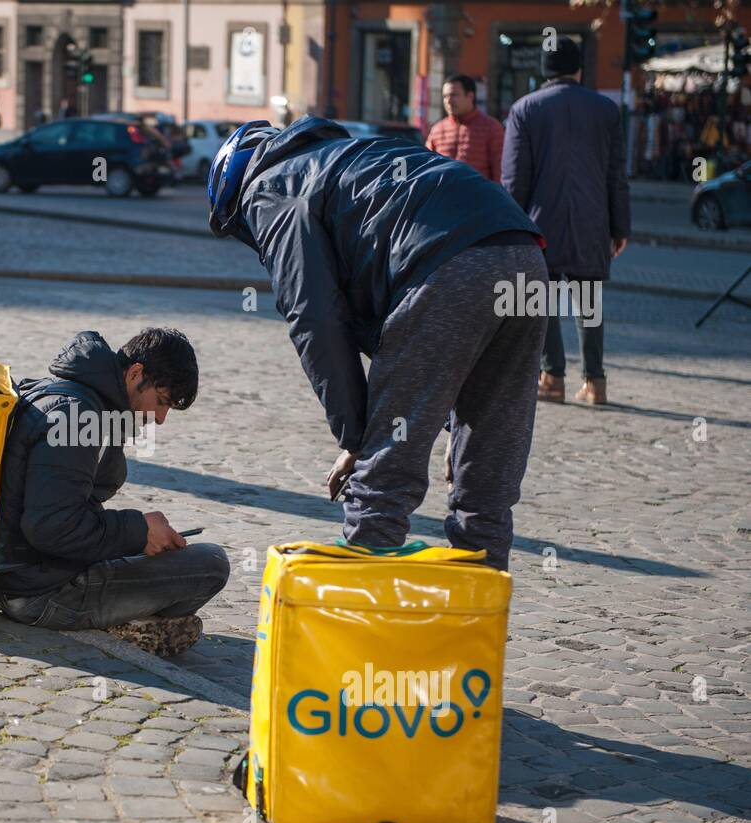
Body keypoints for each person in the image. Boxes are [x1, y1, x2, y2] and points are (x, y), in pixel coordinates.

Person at [209, 117, 547, 572]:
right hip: (524, 254)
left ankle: (364, 629)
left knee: (382, 481)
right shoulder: (351, 154)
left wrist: (358, 439)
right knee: (487, 479)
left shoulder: (269, 189)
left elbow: (315, 319)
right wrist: (455, 420)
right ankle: (472, 628)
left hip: (446, 265)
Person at [0, 329, 230, 656]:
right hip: (40, 593)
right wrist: (138, 530)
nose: (160, 418)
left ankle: (131, 615)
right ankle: (124, 622)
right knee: (211, 563)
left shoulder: (63, 394)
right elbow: (51, 527)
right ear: (135, 374)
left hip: (16, 575)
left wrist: (138, 536)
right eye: (160, 402)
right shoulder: (79, 417)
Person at [502, 37, 629, 406]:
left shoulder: (524, 109)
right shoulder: (606, 110)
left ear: (543, 69)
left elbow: (514, 179)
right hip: (592, 222)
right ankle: (595, 382)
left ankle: (551, 376)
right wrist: (620, 227)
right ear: (578, 69)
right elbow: (616, 175)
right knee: (588, 300)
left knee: (535, 298)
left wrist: (509, 225)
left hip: (540, 223)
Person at [425, 74, 505, 183]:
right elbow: (427, 168)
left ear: (470, 96)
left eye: (454, 95)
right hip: (443, 197)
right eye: (445, 96)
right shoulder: (437, 130)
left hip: (478, 197)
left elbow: (500, 172)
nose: (448, 101)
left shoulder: (491, 128)